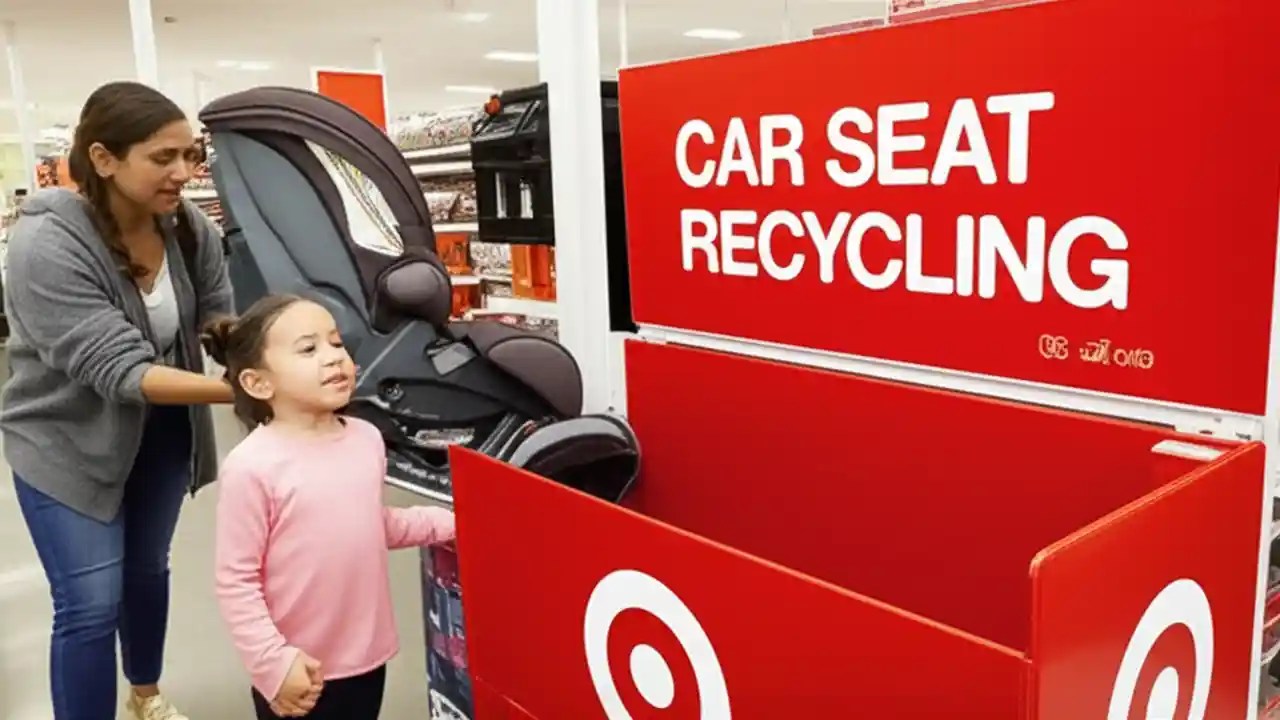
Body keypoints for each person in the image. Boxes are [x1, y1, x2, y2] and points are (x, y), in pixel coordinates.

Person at [1, 82, 234, 720]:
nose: (184, 172)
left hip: (158, 435)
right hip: (64, 442)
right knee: (89, 602)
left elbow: (217, 314)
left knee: (145, 573)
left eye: (191, 155)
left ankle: (144, 697)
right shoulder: (47, 243)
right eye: (164, 158)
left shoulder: (189, 229)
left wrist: (271, 348)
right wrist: (245, 391)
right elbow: (117, 369)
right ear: (103, 159)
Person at [204, 294, 456, 720]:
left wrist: (447, 522)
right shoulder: (252, 466)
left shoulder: (365, 439)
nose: (333, 357)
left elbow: (367, 524)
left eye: (337, 343)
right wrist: (272, 663)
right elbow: (236, 579)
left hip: (367, 655)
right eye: (309, 349)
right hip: (297, 669)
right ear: (259, 383)